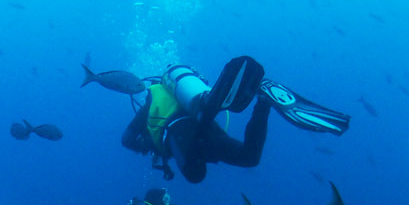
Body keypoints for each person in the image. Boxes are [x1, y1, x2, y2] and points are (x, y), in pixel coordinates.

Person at [120, 56, 351, 183]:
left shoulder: (152, 97)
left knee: (195, 175)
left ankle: (209, 111)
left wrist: (146, 144)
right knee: (248, 157)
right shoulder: (179, 91)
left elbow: (127, 138)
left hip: (179, 132)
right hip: (203, 123)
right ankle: (262, 103)